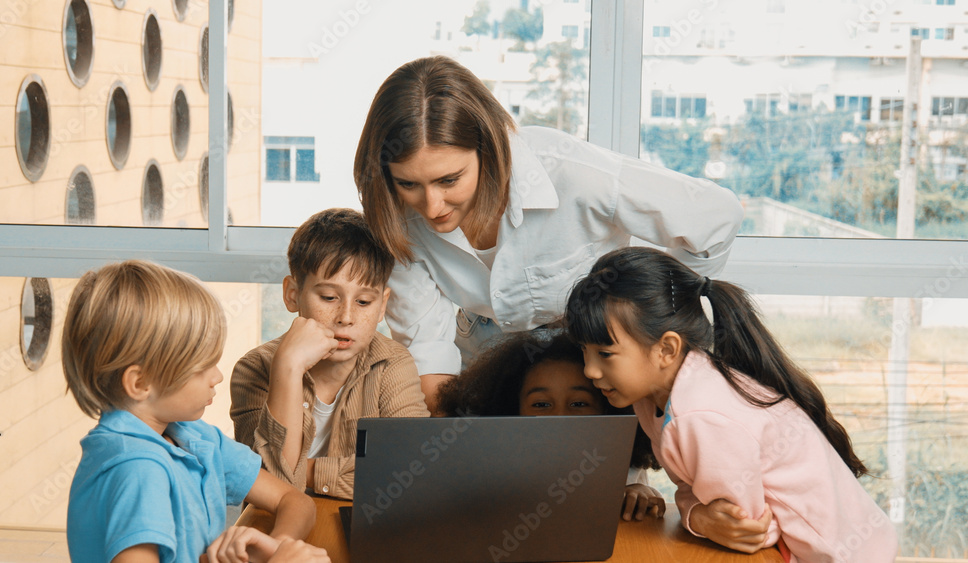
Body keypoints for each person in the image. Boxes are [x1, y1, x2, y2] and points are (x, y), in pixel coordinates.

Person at [353, 55, 744, 414]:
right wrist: (450, 446)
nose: (432, 206)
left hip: (595, 375)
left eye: (449, 179)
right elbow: (428, 351)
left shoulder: (575, 175)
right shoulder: (396, 217)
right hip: (488, 373)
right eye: (408, 184)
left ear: (489, 149)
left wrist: (651, 318)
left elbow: (717, 217)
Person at [563, 246, 899, 562]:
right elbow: (701, 499)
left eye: (605, 354)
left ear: (666, 349)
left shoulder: (701, 414)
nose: (590, 371)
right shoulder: (659, 396)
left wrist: (697, 516)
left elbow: (746, 530)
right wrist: (698, 514)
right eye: (585, 351)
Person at [62, 260, 328, 563]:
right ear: (140, 383)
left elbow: (294, 500)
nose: (216, 376)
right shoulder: (136, 471)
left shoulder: (191, 436)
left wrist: (277, 544)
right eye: (202, 367)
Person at [230, 208, 429, 501]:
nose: (346, 317)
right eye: (329, 297)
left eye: (363, 301)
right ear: (292, 294)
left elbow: (414, 474)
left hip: (365, 525)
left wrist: (305, 471)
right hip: (278, 529)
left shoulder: (392, 364)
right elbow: (271, 487)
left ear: (382, 305)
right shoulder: (255, 368)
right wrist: (288, 367)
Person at [436, 329, 666, 522]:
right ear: (512, 411)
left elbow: (636, 506)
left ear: (607, 409)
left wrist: (637, 493)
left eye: (578, 403)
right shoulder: (491, 475)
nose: (560, 416)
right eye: (541, 404)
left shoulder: (623, 467)